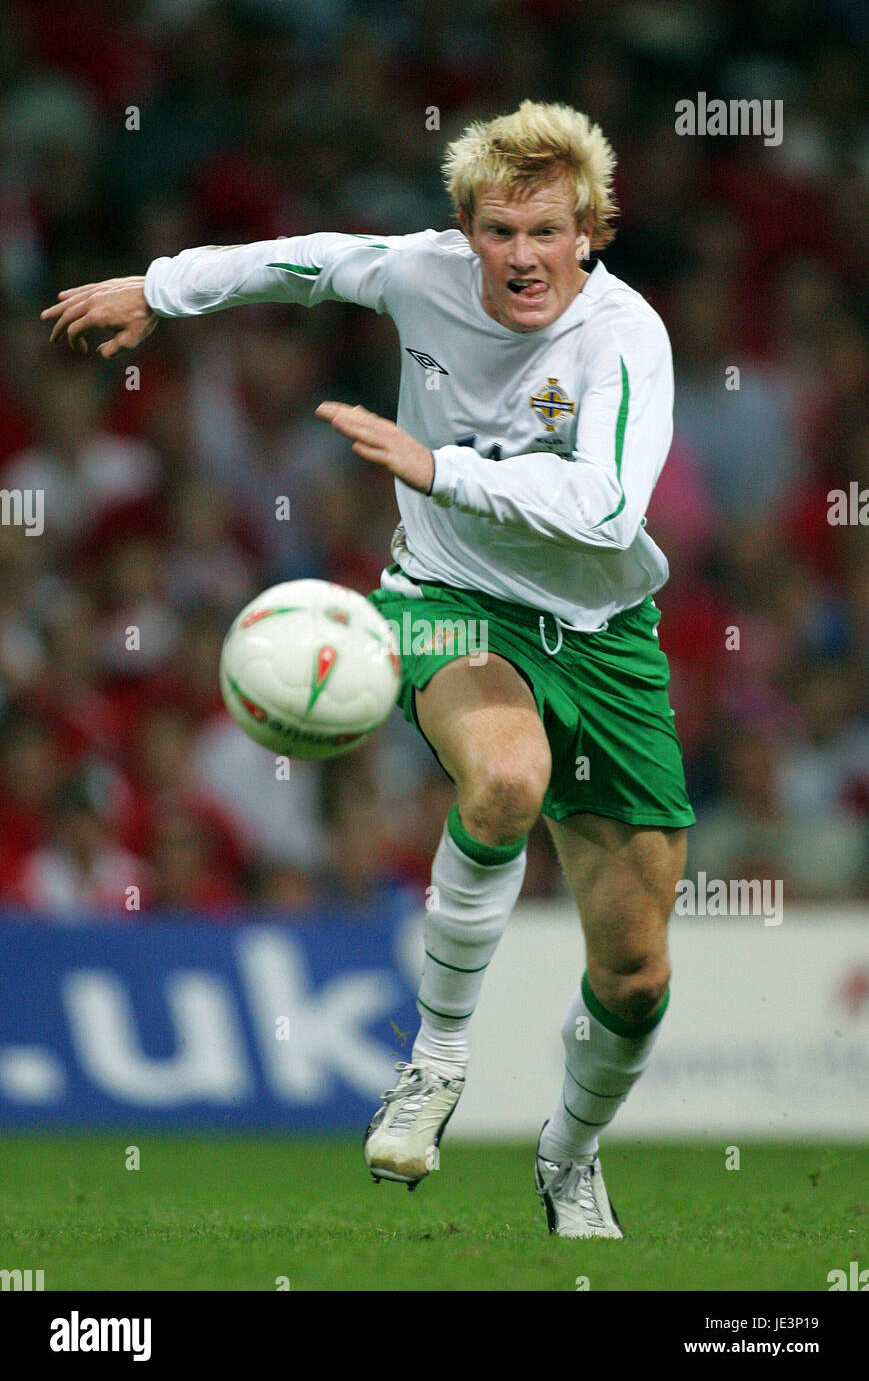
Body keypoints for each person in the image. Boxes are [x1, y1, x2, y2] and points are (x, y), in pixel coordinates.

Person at [42, 100, 694, 1239]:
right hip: (446, 601)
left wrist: (437, 465)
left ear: (590, 227)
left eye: (546, 230)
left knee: (635, 974)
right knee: (501, 777)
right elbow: (299, 262)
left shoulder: (623, 336)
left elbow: (603, 509)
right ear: (465, 228)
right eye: (498, 230)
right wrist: (160, 288)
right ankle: (434, 1060)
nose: (522, 256)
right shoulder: (418, 271)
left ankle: (569, 1152)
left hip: (603, 637)